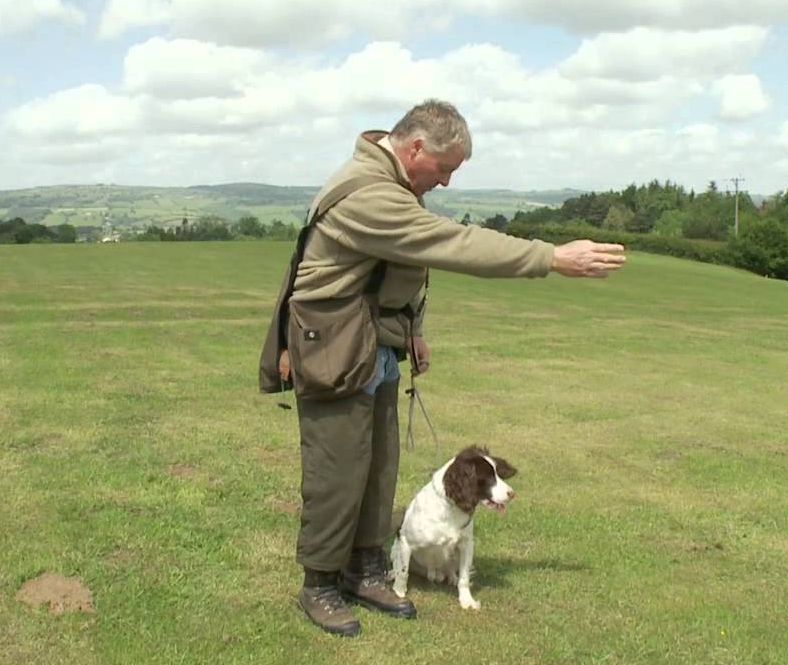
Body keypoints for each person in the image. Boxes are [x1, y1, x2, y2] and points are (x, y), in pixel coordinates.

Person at [258, 99, 625, 637]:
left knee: (378, 468)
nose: (448, 182)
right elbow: (448, 242)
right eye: (446, 168)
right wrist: (549, 257)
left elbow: (402, 266)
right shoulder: (369, 193)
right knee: (337, 472)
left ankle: (366, 569)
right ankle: (319, 585)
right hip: (334, 348)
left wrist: (413, 330)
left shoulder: (392, 187)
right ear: (415, 149)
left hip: (372, 344)